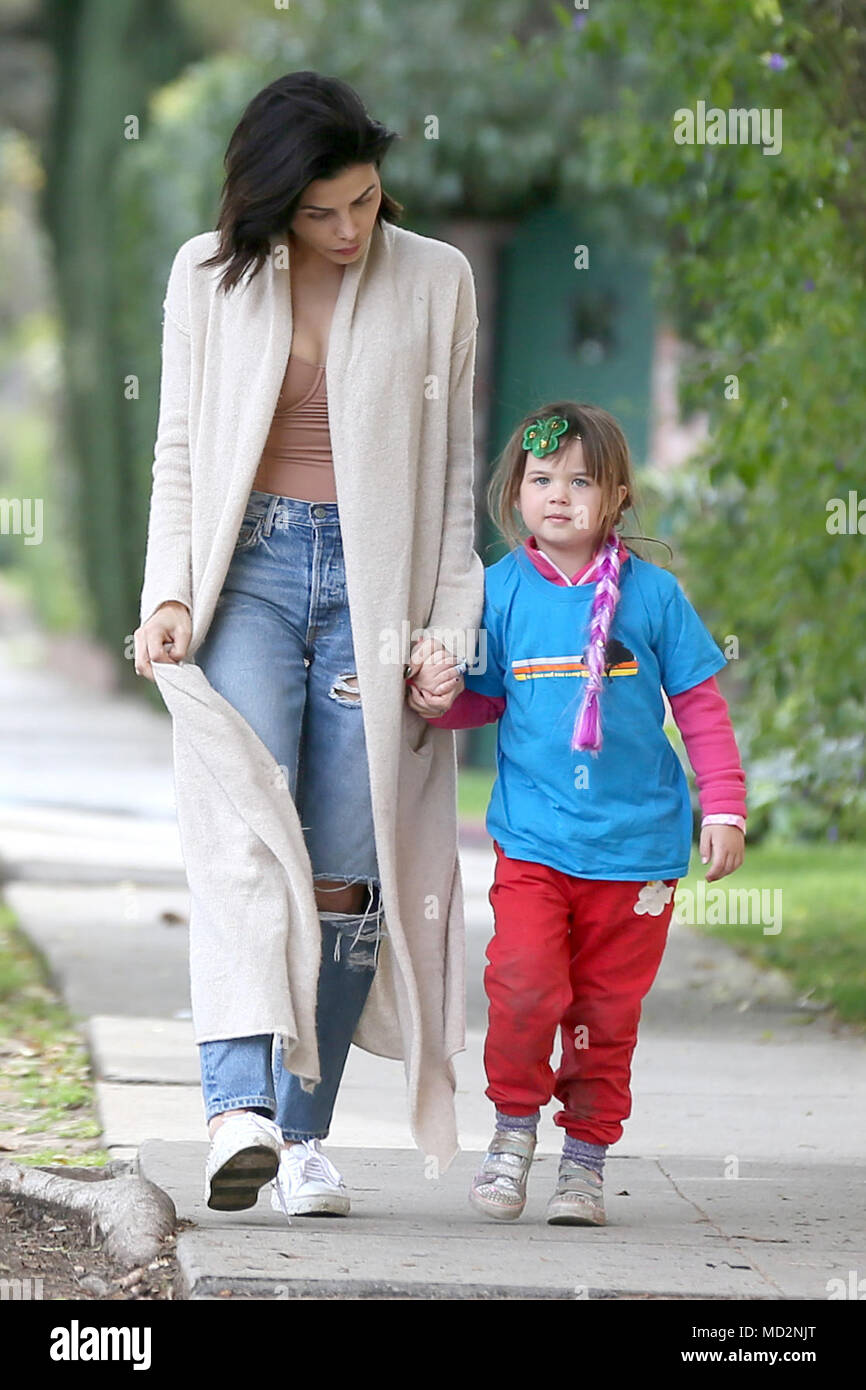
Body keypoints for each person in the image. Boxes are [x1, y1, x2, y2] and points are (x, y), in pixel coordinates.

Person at [134, 72, 482, 1218]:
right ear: (271, 206)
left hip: (372, 591)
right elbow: (179, 446)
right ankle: (235, 1107)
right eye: (319, 212)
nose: (346, 231)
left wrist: (446, 627)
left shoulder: (437, 280)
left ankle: (302, 1135)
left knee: (343, 870)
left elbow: (450, 480)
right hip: (251, 578)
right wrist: (169, 593)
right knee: (240, 829)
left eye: (365, 203)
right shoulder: (207, 274)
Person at [408, 401, 747, 1226]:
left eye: (581, 481)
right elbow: (479, 706)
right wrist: (435, 694)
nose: (558, 495)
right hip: (536, 845)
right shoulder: (497, 591)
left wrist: (725, 806)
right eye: (541, 479)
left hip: (637, 855)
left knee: (605, 1014)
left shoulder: (655, 597)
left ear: (619, 497)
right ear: (515, 493)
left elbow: (699, 705)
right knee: (523, 986)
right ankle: (513, 1131)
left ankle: (585, 1161)